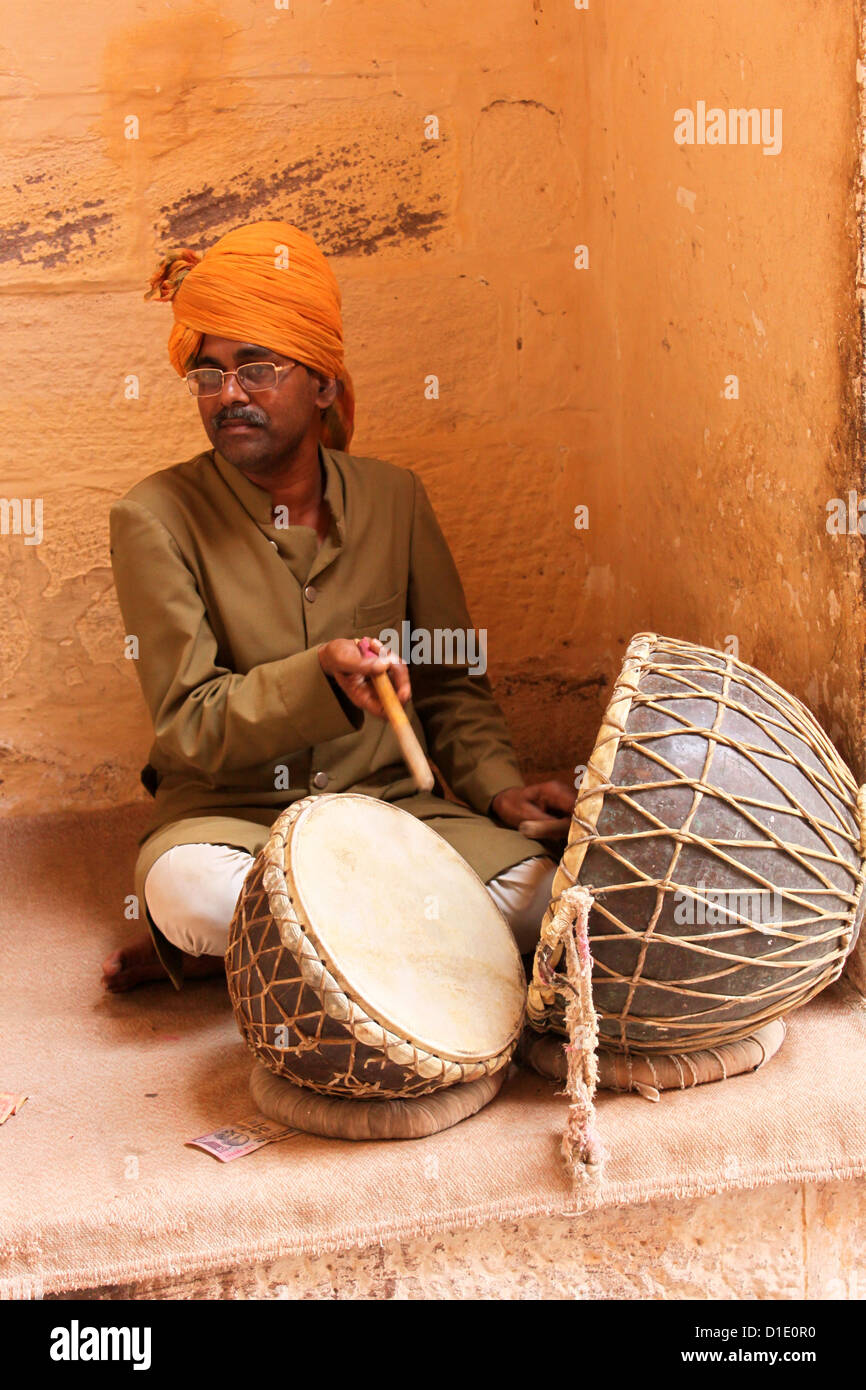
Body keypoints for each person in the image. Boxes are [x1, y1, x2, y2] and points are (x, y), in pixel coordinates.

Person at [102, 220, 574, 992]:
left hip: (393, 814)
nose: (228, 395)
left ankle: (278, 952)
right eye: (208, 373)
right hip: (234, 820)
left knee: (544, 901)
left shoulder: (397, 498)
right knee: (189, 895)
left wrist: (495, 787)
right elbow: (188, 721)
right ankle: (353, 946)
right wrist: (317, 676)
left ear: (322, 383)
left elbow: (453, 681)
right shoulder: (154, 517)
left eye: (256, 368)